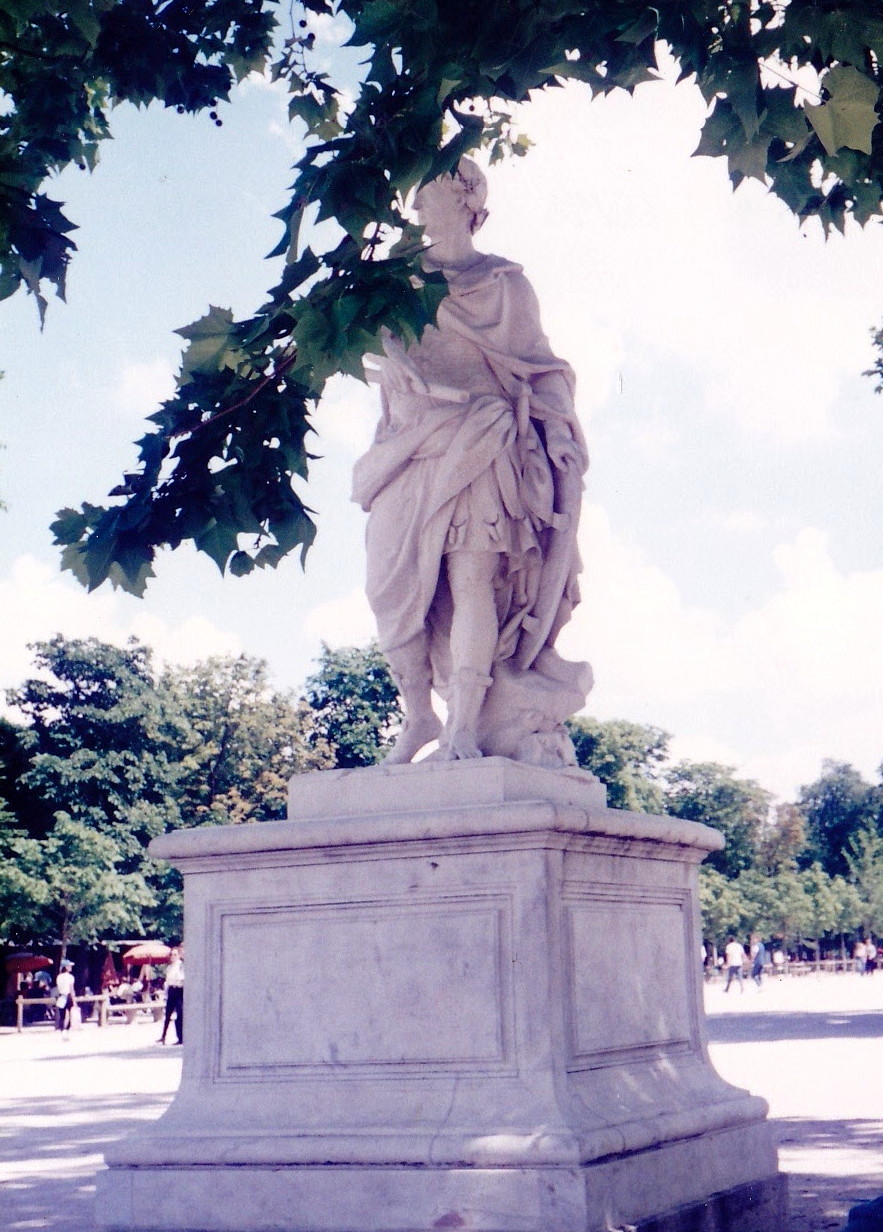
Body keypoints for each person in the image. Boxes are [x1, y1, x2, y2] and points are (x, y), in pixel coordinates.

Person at [353, 158, 591, 768]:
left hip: (484, 443)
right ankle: (418, 714)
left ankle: (462, 727)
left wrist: (558, 426)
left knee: (471, 582)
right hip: (411, 451)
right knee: (390, 590)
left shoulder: (507, 286)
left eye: (427, 193)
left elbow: (542, 364)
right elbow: (358, 350)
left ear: (465, 200)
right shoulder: (395, 284)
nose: (415, 208)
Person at [158, 946, 184, 1045]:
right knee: (168, 1014)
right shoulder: (169, 967)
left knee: (180, 1015)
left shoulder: (182, 966)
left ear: (179, 955)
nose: (172, 956)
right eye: (171, 954)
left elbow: (181, 978)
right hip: (171, 990)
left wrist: (176, 980)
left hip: (179, 990)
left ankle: (181, 1038)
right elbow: (168, 981)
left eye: (175, 954)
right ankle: (163, 1036)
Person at [54, 959, 76, 1036]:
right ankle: (67, 1028)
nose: (71, 967)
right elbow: (71, 989)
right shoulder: (70, 977)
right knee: (70, 1013)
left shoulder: (59, 977)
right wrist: (74, 1000)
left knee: (62, 1014)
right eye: (69, 966)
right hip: (68, 996)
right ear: (66, 967)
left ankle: (61, 1028)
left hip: (61, 996)